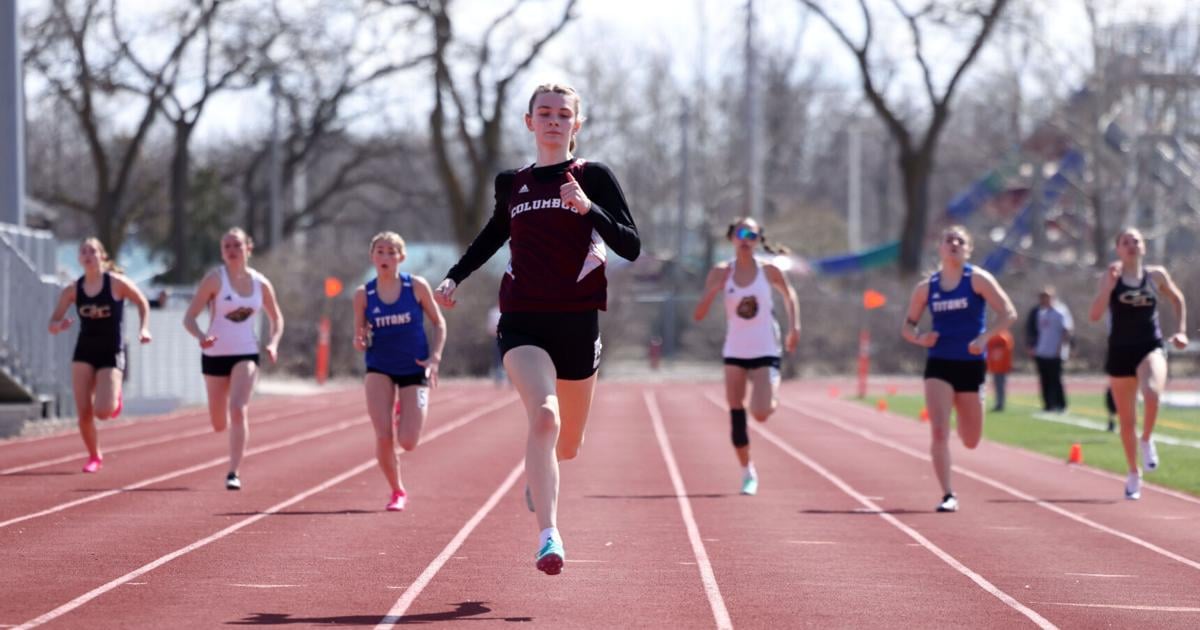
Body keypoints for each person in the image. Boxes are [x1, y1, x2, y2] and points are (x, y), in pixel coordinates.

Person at [434, 83, 640, 575]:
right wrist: (454, 275)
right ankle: (549, 535)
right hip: (523, 318)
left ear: (577, 124)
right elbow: (493, 233)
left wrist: (590, 208)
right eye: (543, 113)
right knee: (544, 417)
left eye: (563, 114)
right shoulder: (514, 182)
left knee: (567, 444)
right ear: (529, 122)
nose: (553, 121)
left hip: (577, 322)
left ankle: (539, 471)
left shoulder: (594, 177)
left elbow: (631, 245)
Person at [901, 226, 1016, 513]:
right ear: (939, 248)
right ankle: (947, 494)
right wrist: (919, 338)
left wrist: (984, 338)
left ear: (968, 249)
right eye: (948, 240)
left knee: (971, 440)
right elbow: (907, 325)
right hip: (939, 362)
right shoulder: (927, 287)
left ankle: (974, 403)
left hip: (971, 363)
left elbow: (1008, 313)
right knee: (939, 432)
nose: (953, 244)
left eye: (960, 241)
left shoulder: (977, 279)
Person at [692, 217, 800, 496]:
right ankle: (747, 471)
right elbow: (699, 315)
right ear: (731, 238)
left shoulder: (769, 271)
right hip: (735, 351)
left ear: (758, 239)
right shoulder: (720, 272)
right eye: (741, 233)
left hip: (765, 348)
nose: (746, 239)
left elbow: (790, 296)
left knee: (761, 413)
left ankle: (772, 384)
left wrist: (794, 327)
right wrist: (713, 291)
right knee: (737, 413)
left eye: (752, 235)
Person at [1088, 227, 1188, 500]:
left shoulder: (1155, 276)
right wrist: (1107, 287)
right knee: (1126, 420)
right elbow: (1095, 315)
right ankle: (1133, 473)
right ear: (1118, 249)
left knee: (1153, 393)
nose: (1131, 245)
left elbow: (1177, 298)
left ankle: (1147, 439)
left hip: (1149, 345)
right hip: (1120, 350)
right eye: (1125, 242)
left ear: (1144, 247)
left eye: (1136, 241)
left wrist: (1180, 330)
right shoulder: (1112, 277)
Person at [182, 228, 284, 491]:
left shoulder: (261, 284)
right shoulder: (215, 280)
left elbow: (277, 318)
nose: (231, 250)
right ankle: (226, 429)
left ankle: (233, 472)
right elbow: (189, 317)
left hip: (246, 352)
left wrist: (272, 343)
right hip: (214, 354)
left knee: (238, 408)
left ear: (248, 248)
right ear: (221, 251)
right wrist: (201, 336)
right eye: (226, 246)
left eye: (237, 245)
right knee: (219, 423)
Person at [352, 231, 446, 511]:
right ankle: (397, 490)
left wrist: (435, 359)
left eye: (391, 252)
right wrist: (359, 340)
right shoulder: (363, 294)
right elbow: (359, 336)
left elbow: (439, 324)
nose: (385, 257)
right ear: (372, 257)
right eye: (380, 251)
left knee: (408, 442)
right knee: (383, 435)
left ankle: (402, 412)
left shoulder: (416, 286)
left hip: (414, 368)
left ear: (401, 258)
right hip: (379, 367)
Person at [48, 238, 152, 473]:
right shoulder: (73, 289)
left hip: (111, 351)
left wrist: (143, 328)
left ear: (102, 256)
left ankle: (114, 397)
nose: (87, 255)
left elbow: (141, 301)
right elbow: (52, 322)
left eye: (92, 251)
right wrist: (58, 326)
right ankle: (94, 456)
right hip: (84, 351)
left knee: (102, 412)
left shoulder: (116, 283)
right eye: (83, 251)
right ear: (79, 258)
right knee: (84, 412)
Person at [1031, 286, 1073, 412]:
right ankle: (1048, 405)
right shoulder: (1041, 313)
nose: (1044, 300)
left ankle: (1061, 404)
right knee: (1044, 380)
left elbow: (1067, 331)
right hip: (1042, 351)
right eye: (1042, 297)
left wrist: (1060, 347)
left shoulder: (1060, 312)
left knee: (1056, 379)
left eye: (1047, 297)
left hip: (1055, 352)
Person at [985, 330, 1013, 412]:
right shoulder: (993, 337)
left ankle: (1000, 403)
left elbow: (1007, 352)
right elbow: (989, 352)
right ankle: (999, 403)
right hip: (996, 367)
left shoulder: (1004, 338)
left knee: (1000, 386)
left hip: (1001, 367)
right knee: (997, 386)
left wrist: (1007, 365)